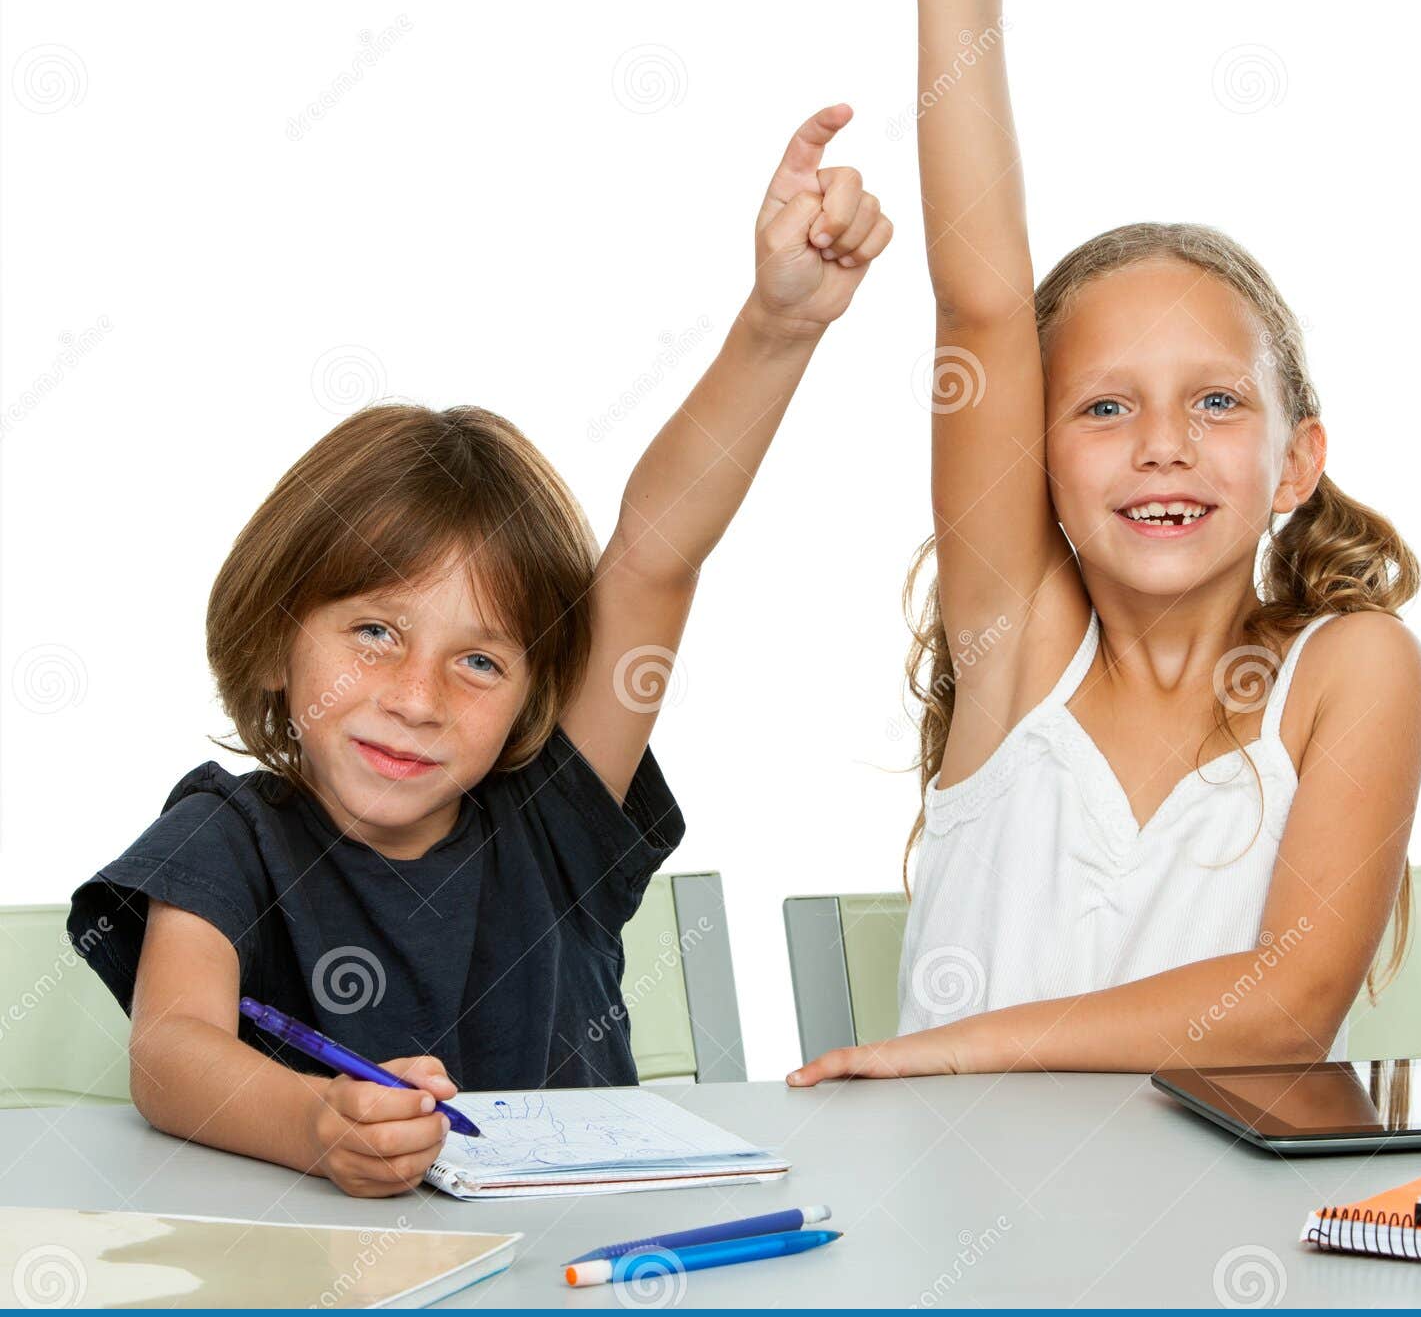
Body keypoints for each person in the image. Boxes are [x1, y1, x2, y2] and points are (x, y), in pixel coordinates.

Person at [70, 107, 893, 1192]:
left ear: (533, 693)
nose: (417, 697)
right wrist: (319, 1124)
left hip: (591, 1298)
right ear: (276, 643)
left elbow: (654, 555)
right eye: (374, 632)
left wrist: (777, 330)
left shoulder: (556, 814)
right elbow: (172, 1051)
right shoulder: (226, 837)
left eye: (479, 661)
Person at [787, 0, 1421, 1086]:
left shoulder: (1351, 675)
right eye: (1101, 410)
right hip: (978, 1289)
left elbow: (1283, 1004)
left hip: (1223, 1288)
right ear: (1035, 456)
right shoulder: (1018, 651)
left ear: (1296, 458)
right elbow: (978, 302)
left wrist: (952, 1052)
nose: (1160, 445)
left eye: (1213, 401)